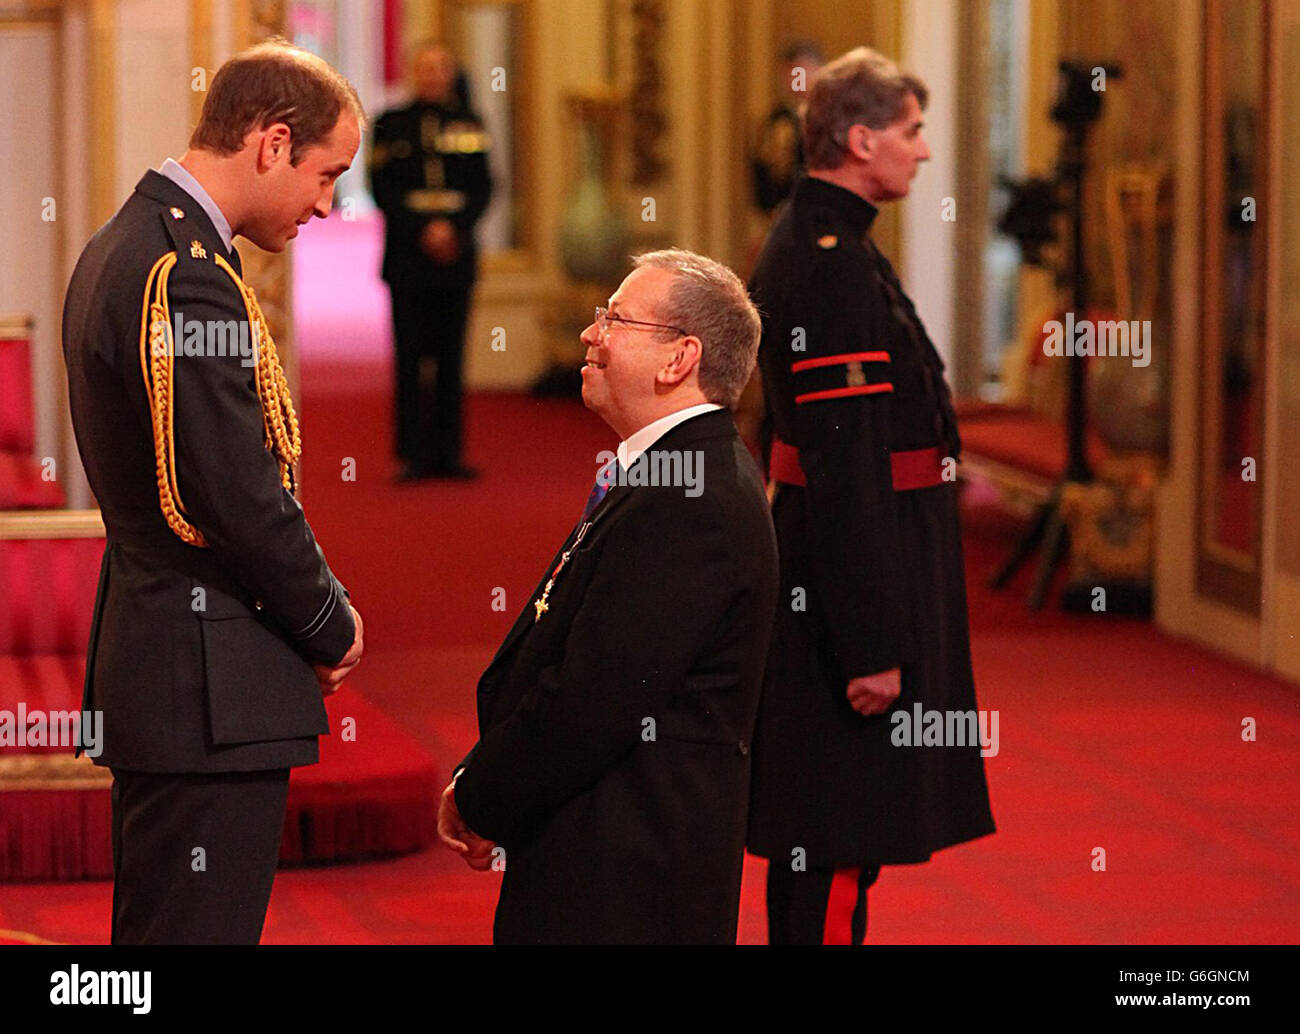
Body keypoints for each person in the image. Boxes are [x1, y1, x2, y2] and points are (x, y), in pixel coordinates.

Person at [61, 40, 365, 944]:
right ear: (272, 143)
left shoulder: (134, 241)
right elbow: (234, 494)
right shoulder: (185, 273)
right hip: (207, 686)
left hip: (171, 669)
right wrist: (328, 621)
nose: (327, 203)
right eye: (325, 173)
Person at [437, 250, 779, 944]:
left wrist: (485, 797)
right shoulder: (669, 472)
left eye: (616, 319)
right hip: (604, 850)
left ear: (679, 358)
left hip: (629, 877)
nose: (591, 334)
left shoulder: (692, 497)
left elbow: (592, 700)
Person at [746, 46, 996, 945]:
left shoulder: (838, 242)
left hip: (863, 558)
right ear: (860, 139)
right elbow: (848, 469)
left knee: (847, 824)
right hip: (846, 579)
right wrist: (873, 644)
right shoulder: (828, 262)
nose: (923, 152)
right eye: (912, 131)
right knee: (830, 826)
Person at [369, 40, 492, 481]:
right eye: (424, 68)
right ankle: (412, 453)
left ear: (450, 73)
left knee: (450, 356)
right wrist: (423, 229)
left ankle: (448, 451)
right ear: (412, 73)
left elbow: (483, 188)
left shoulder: (470, 123)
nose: (432, 76)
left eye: (441, 68)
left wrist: (452, 229)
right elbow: (382, 188)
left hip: (455, 257)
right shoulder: (391, 124)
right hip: (408, 256)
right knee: (410, 356)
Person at [751, 40, 824, 215]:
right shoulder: (776, 120)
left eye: (801, 72)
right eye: (790, 73)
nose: (795, 80)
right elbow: (763, 171)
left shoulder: (833, 117)